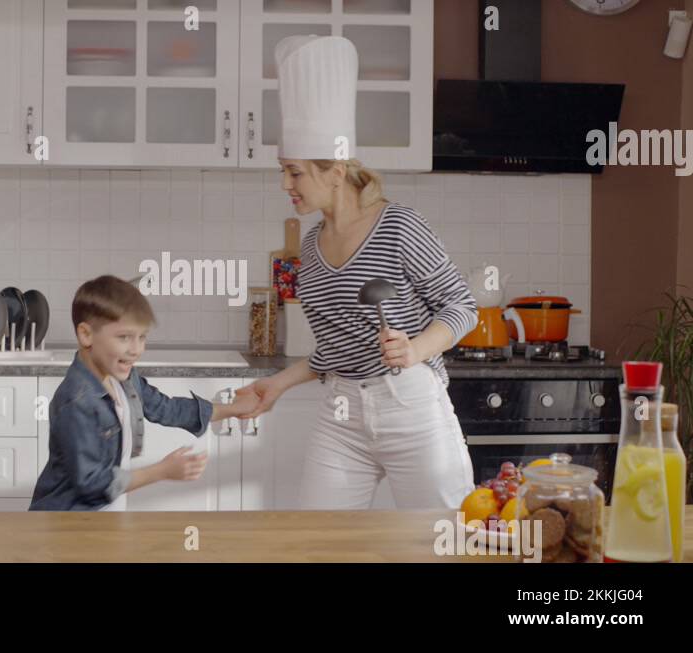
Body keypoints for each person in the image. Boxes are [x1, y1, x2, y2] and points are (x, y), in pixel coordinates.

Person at [238, 36, 478, 510]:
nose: (285, 184)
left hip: (410, 405)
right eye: (284, 172)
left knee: (441, 541)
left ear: (333, 172)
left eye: (294, 172)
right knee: (320, 544)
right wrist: (276, 385)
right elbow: (335, 350)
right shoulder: (311, 245)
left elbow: (462, 307)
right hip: (342, 413)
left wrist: (415, 348)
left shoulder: (399, 226)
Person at [30, 275, 259, 511]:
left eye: (142, 337)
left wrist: (235, 408)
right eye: (124, 337)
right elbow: (92, 484)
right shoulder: (77, 401)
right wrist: (162, 471)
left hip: (100, 519)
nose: (136, 349)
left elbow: (166, 408)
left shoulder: (124, 379)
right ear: (86, 335)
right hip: (67, 525)